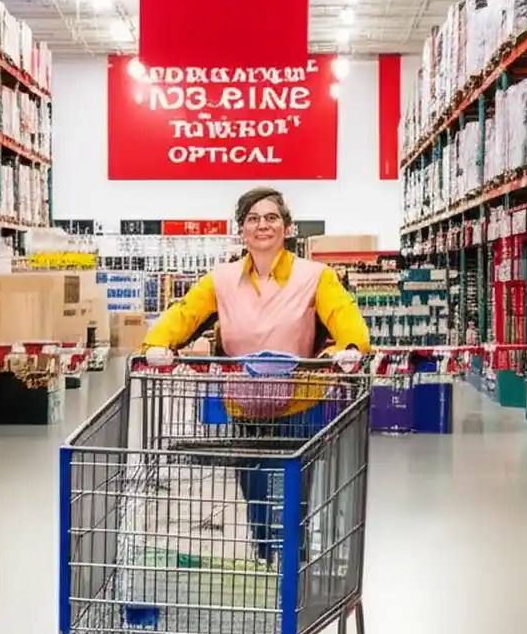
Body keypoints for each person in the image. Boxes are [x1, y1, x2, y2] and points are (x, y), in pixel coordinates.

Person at [141, 187, 371, 563]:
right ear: (242, 230)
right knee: (256, 492)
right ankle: (268, 561)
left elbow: (343, 315)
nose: (262, 225)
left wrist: (351, 348)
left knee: (294, 491)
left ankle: (291, 565)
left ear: (287, 227)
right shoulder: (222, 278)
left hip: (300, 403)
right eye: (253, 218)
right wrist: (154, 344)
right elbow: (184, 313)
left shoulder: (316, 276)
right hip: (245, 405)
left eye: (271, 218)